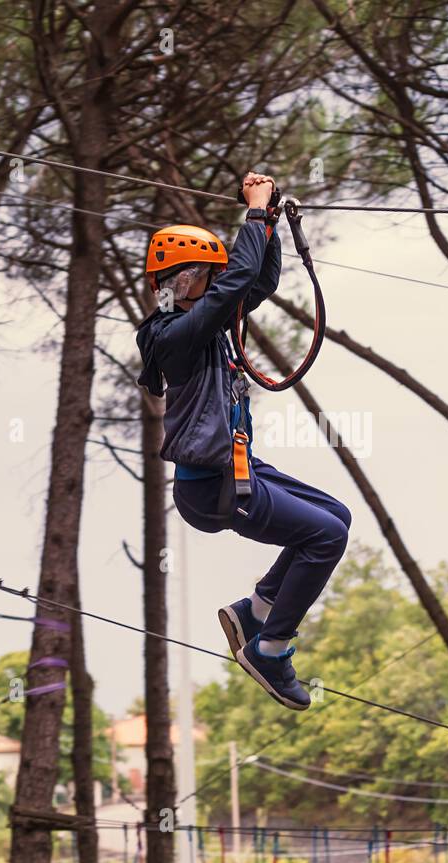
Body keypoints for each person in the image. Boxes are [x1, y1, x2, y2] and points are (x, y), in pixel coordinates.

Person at [135, 172, 351, 710]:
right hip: (210, 488)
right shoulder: (172, 337)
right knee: (324, 539)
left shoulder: (205, 322)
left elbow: (258, 281)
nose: (214, 283)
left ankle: (251, 612)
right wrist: (254, 214)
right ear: (181, 282)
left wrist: (269, 221)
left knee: (337, 517)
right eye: (204, 276)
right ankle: (270, 649)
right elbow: (237, 282)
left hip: (235, 471)